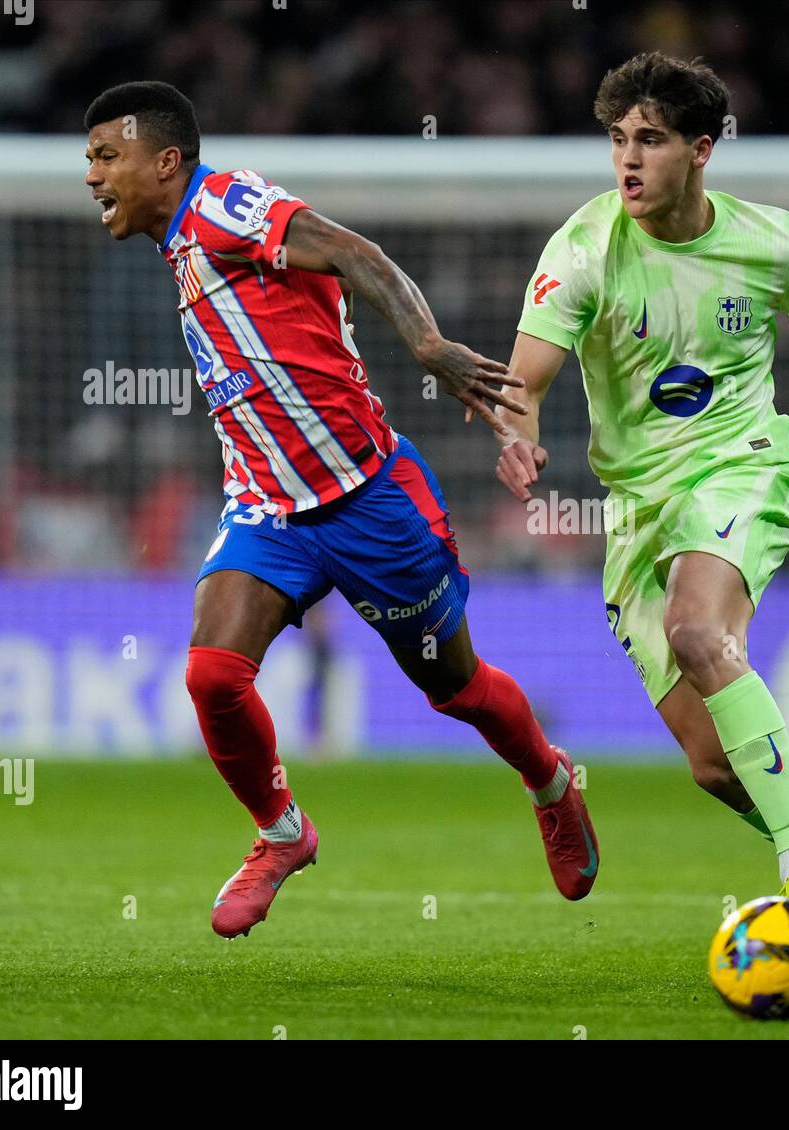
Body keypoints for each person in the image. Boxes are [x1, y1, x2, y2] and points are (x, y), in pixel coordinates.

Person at [492, 53, 789, 987]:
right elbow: (526, 378)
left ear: (701, 150)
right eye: (619, 140)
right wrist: (519, 434)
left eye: (652, 141)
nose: (628, 161)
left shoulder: (774, 244)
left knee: (699, 630)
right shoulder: (584, 248)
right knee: (718, 765)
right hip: (638, 508)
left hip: (742, 468)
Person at [83, 81, 598, 938]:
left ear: (164, 161)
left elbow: (357, 253)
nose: (93, 176)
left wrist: (428, 346)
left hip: (369, 501)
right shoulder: (181, 245)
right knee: (212, 673)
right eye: (89, 159)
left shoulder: (225, 207)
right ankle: (282, 833)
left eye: (107, 156)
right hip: (269, 510)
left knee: (457, 689)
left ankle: (550, 781)